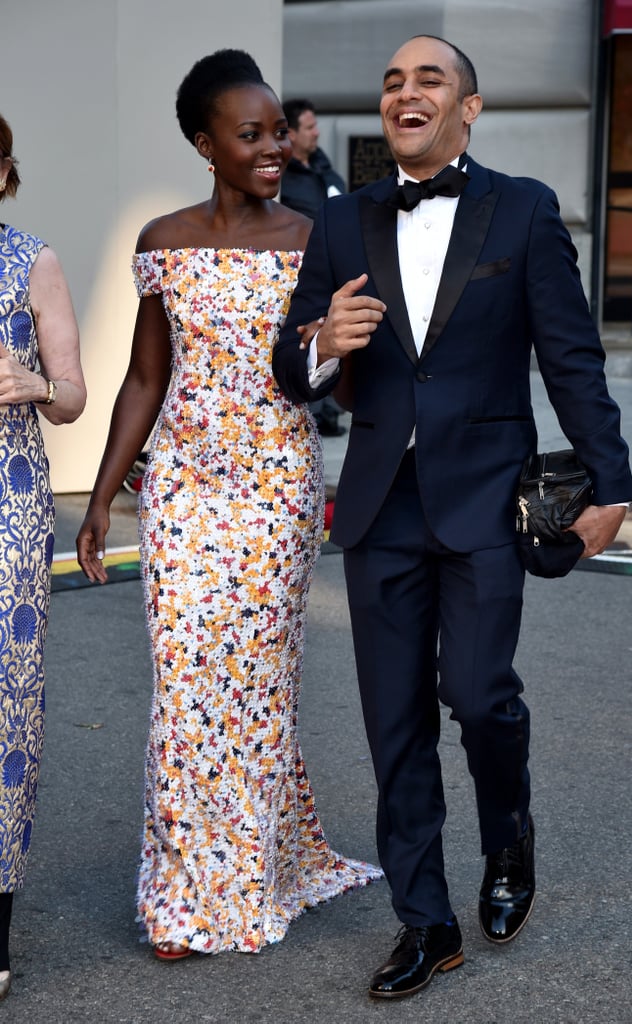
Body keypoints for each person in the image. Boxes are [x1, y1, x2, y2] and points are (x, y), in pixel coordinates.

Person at [273, 35, 632, 1000]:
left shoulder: (520, 208)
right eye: (392, 81)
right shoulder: (341, 220)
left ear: (467, 109)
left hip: (484, 499)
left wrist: (612, 486)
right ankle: (425, 922)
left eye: (428, 78)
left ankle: (509, 834)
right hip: (380, 507)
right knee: (394, 725)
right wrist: (319, 346)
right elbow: (292, 361)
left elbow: (572, 357)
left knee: (479, 698)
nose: (405, 92)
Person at [76, 49, 381, 961]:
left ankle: (252, 875)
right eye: (250, 135)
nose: (273, 146)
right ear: (205, 144)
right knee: (185, 694)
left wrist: (333, 347)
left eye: (277, 130)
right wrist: (100, 501)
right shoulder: (161, 242)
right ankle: (185, 896)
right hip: (182, 489)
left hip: (276, 488)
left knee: (252, 692)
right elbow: (142, 379)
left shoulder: (314, 235)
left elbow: (345, 377)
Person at [0, 114, 87, 1000]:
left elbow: (72, 394)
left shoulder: (34, 260)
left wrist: (32, 384)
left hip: (8, 511)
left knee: (3, 709)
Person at [280, 98, 347, 437]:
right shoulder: (282, 180)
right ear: (290, 133)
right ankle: (314, 408)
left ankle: (331, 412)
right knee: (308, 335)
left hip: (339, 269)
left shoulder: (324, 168)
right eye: (309, 127)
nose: (317, 132)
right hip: (303, 274)